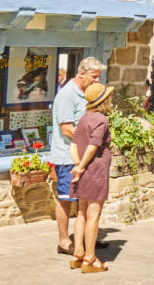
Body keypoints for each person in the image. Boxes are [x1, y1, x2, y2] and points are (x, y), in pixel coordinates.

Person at [48, 57, 104, 256]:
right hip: (67, 157)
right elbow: (67, 129)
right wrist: (94, 141)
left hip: (83, 157)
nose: (97, 81)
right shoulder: (67, 96)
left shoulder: (84, 94)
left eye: (99, 77)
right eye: (94, 77)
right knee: (65, 199)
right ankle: (64, 242)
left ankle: (86, 239)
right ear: (82, 74)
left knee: (85, 199)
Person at [69, 82, 115, 273]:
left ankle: (78, 253)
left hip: (83, 171)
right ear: (103, 101)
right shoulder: (101, 120)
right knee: (93, 216)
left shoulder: (83, 119)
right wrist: (81, 166)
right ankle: (90, 258)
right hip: (95, 171)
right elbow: (93, 146)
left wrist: (77, 165)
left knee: (81, 213)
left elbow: (73, 145)